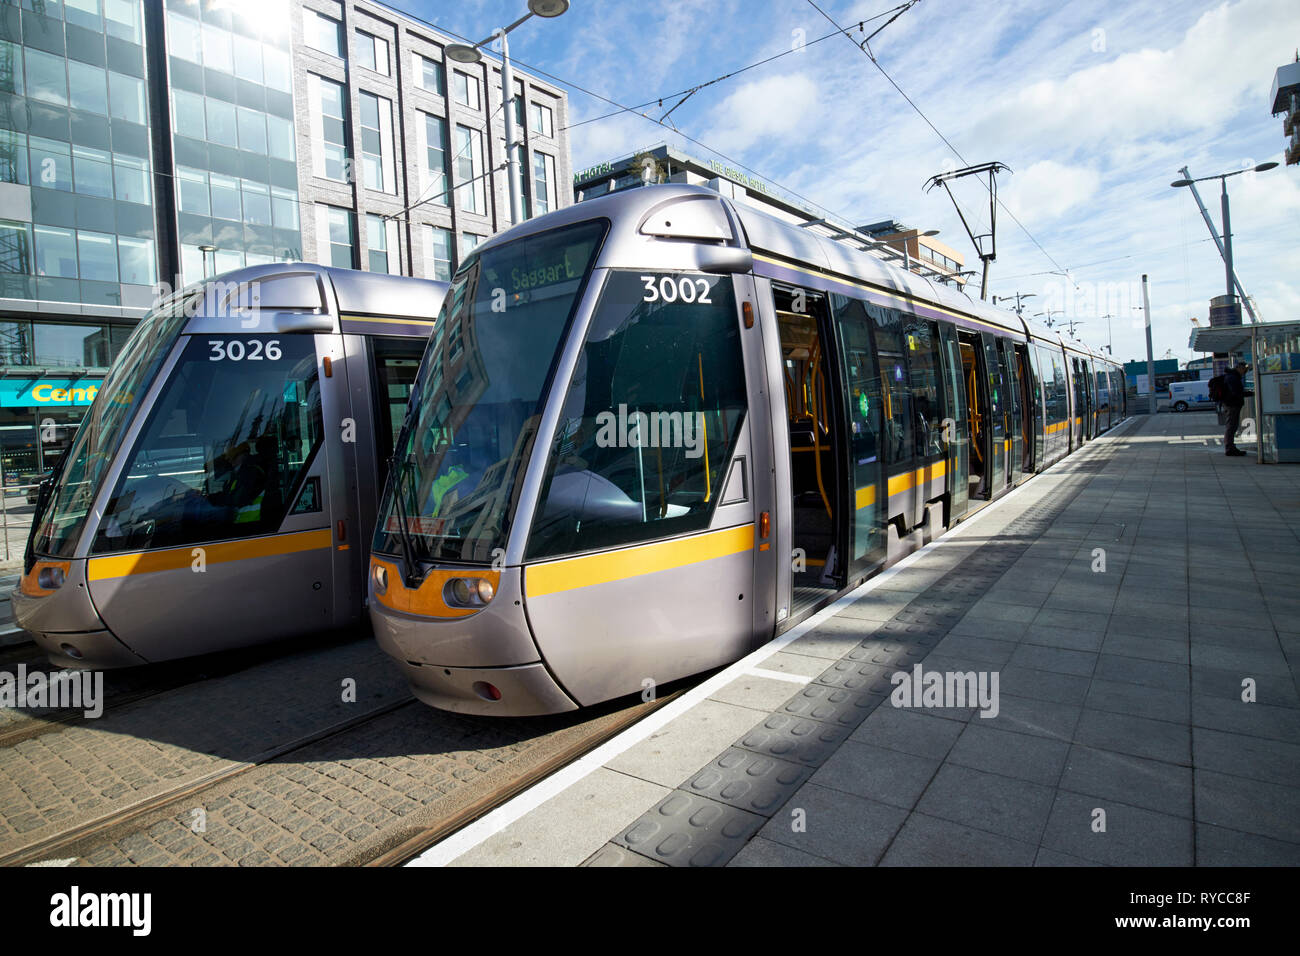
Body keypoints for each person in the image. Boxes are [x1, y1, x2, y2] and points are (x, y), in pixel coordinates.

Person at [1222, 361, 1252, 456]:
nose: (1245, 372)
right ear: (1239, 368)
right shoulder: (1233, 377)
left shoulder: (1231, 376)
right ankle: (1230, 448)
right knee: (1232, 426)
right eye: (1244, 369)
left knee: (1232, 426)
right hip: (1232, 404)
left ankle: (1230, 447)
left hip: (1230, 404)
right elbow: (1236, 392)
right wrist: (1248, 393)